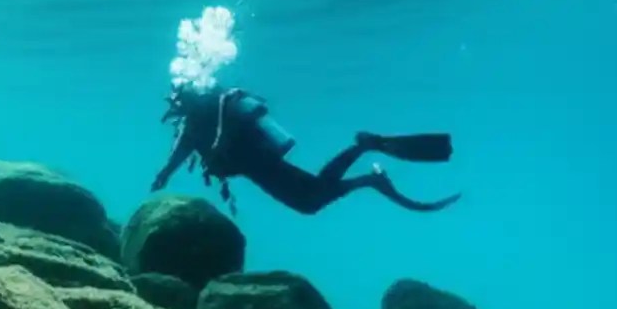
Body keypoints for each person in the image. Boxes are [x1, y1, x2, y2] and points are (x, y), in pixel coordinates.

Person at [152, 83, 460, 215]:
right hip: (262, 166)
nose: (174, 106)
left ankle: (365, 159)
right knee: (311, 197)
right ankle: (366, 166)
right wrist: (164, 175)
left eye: (176, 101)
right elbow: (179, 153)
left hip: (262, 165)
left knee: (309, 201)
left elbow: (185, 149)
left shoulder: (204, 116)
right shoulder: (198, 121)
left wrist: (164, 174)